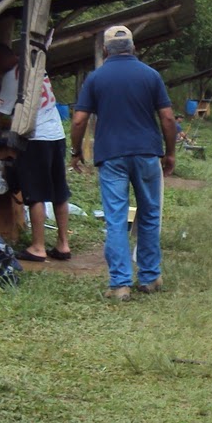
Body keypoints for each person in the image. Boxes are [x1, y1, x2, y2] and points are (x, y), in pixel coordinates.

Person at [70, 25, 178, 299]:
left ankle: (119, 284)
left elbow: (79, 119)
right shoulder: (150, 75)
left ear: (105, 50)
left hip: (112, 156)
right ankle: (150, 277)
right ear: (133, 48)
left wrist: (75, 152)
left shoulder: (95, 78)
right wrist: (170, 152)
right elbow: (167, 118)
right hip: (146, 154)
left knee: (116, 219)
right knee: (149, 214)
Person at [0, 41, 70, 263]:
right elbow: (8, 94)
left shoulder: (11, 75)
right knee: (58, 191)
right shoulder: (33, 67)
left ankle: (38, 247)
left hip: (35, 138)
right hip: (56, 135)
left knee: (35, 194)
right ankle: (63, 244)